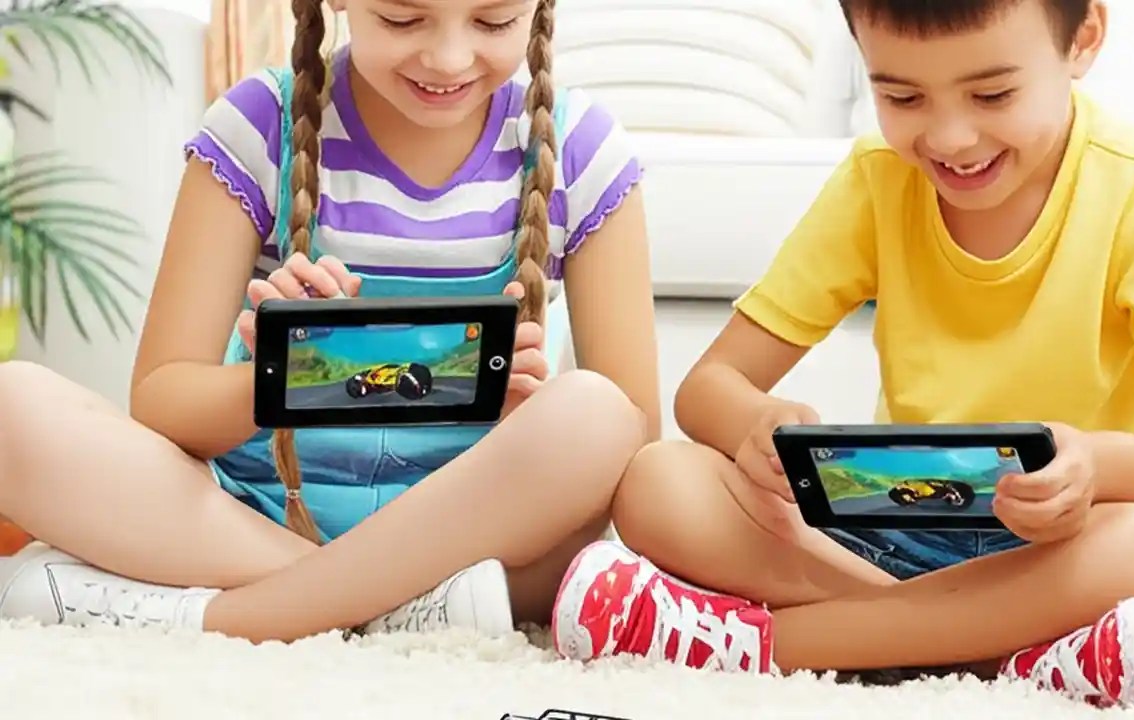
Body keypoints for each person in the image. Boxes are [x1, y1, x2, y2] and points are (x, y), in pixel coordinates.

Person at [550, 0, 1134, 709]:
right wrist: (757, 425)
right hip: (890, 538)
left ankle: (766, 646)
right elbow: (709, 387)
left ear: (1083, 40)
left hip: (1066, 553)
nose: (950, 138)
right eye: (902, 96)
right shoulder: (876, 179)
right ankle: (1008, 658)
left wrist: (1096, 465)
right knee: (657, 481)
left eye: (993, 94)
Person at [0, 0, 659, 644]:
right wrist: (285, 378)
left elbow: (638, 452)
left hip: (470, 540)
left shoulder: (579, 148)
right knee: (13, 407)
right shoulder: (260, 125)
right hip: (253, 520)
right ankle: (383, 609)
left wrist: (521, 420)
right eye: (403, 19)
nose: (449, 57)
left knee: (598, 415)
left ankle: (232, 618)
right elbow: (163, 404)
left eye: (493, 21)